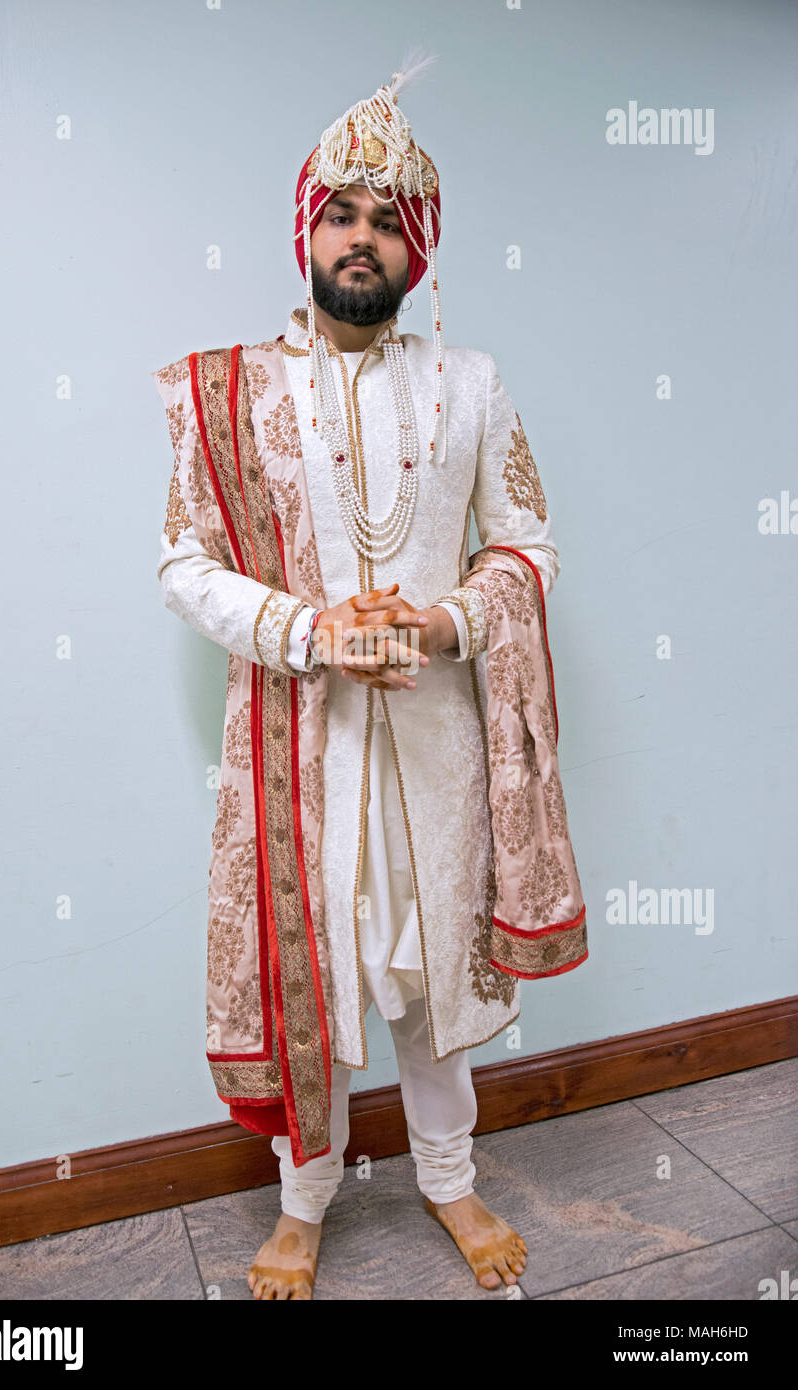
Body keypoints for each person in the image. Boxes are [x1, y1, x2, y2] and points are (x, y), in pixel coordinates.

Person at [152, 55, 587, 1300]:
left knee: (435, 969)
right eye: (340, 212)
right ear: (305, 228)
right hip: (301, 741)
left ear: (419, 247)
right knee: (319, 968)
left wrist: (446, 624)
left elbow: (526, 543)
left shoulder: (471, 385)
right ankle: (305, 1203)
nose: (361, 238)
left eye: (386, 219)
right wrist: (309, 630)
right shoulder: (225, 396)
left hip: (440, 742)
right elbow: (181, 565)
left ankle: (448, 1181)